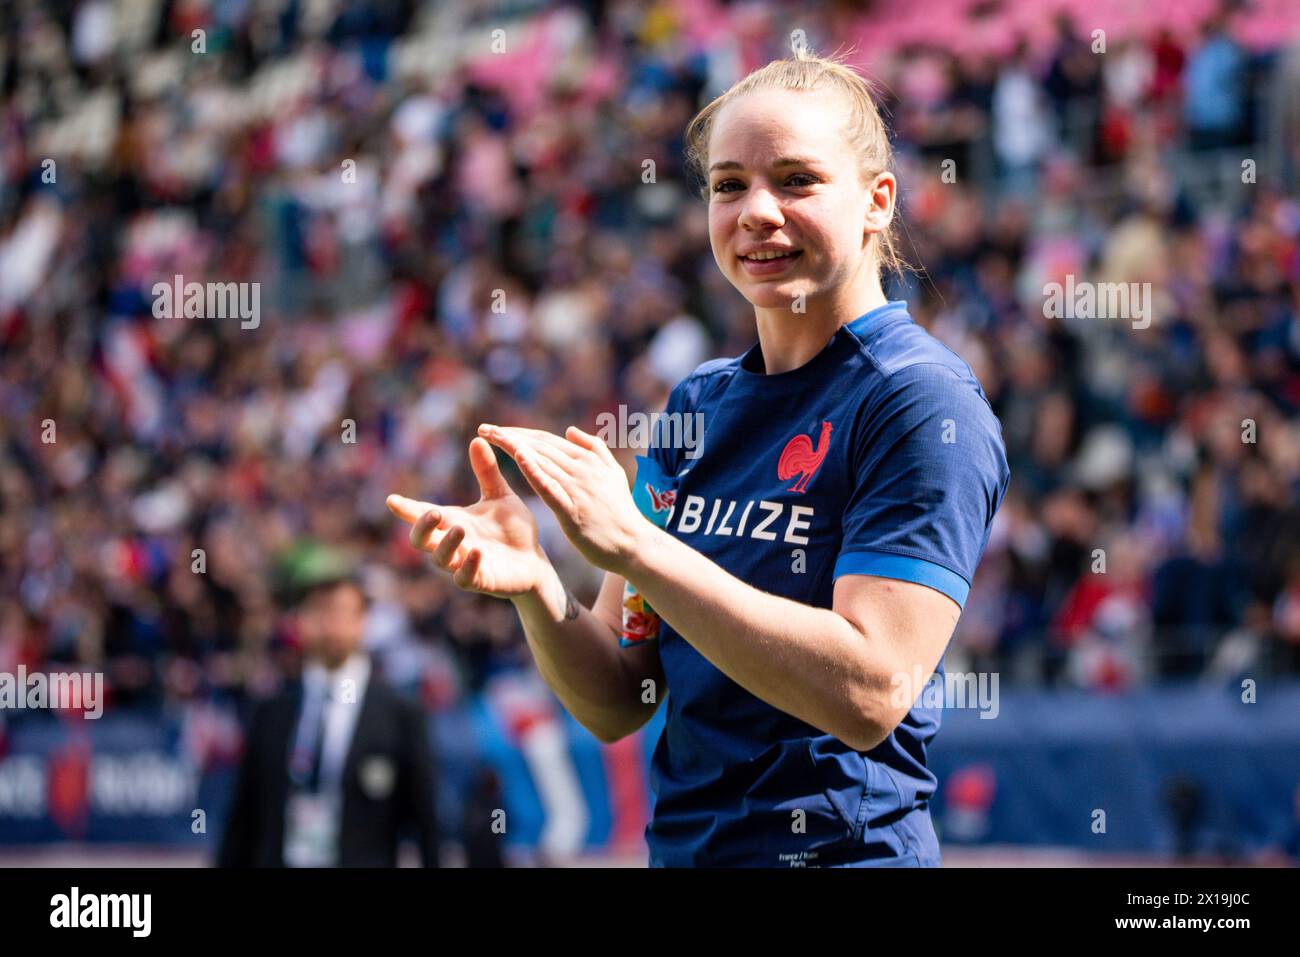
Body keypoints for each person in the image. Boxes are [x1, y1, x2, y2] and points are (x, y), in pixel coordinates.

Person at [388, 49, 1009, 866]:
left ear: (877, 201)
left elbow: (872, 690)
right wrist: (539, 586)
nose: (756, 211)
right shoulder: (696, 407)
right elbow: (620, 693)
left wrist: (640, 544)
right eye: (728, 185)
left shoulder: (919, 400)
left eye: (795, 180)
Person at [216, 565, 442, 867]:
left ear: (363, 622)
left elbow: (426, 818)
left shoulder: (400, 714)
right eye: (321, 611)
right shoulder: (272, 712)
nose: (332, 624)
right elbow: (244, 815)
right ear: (301, 621)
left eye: (343, 612)